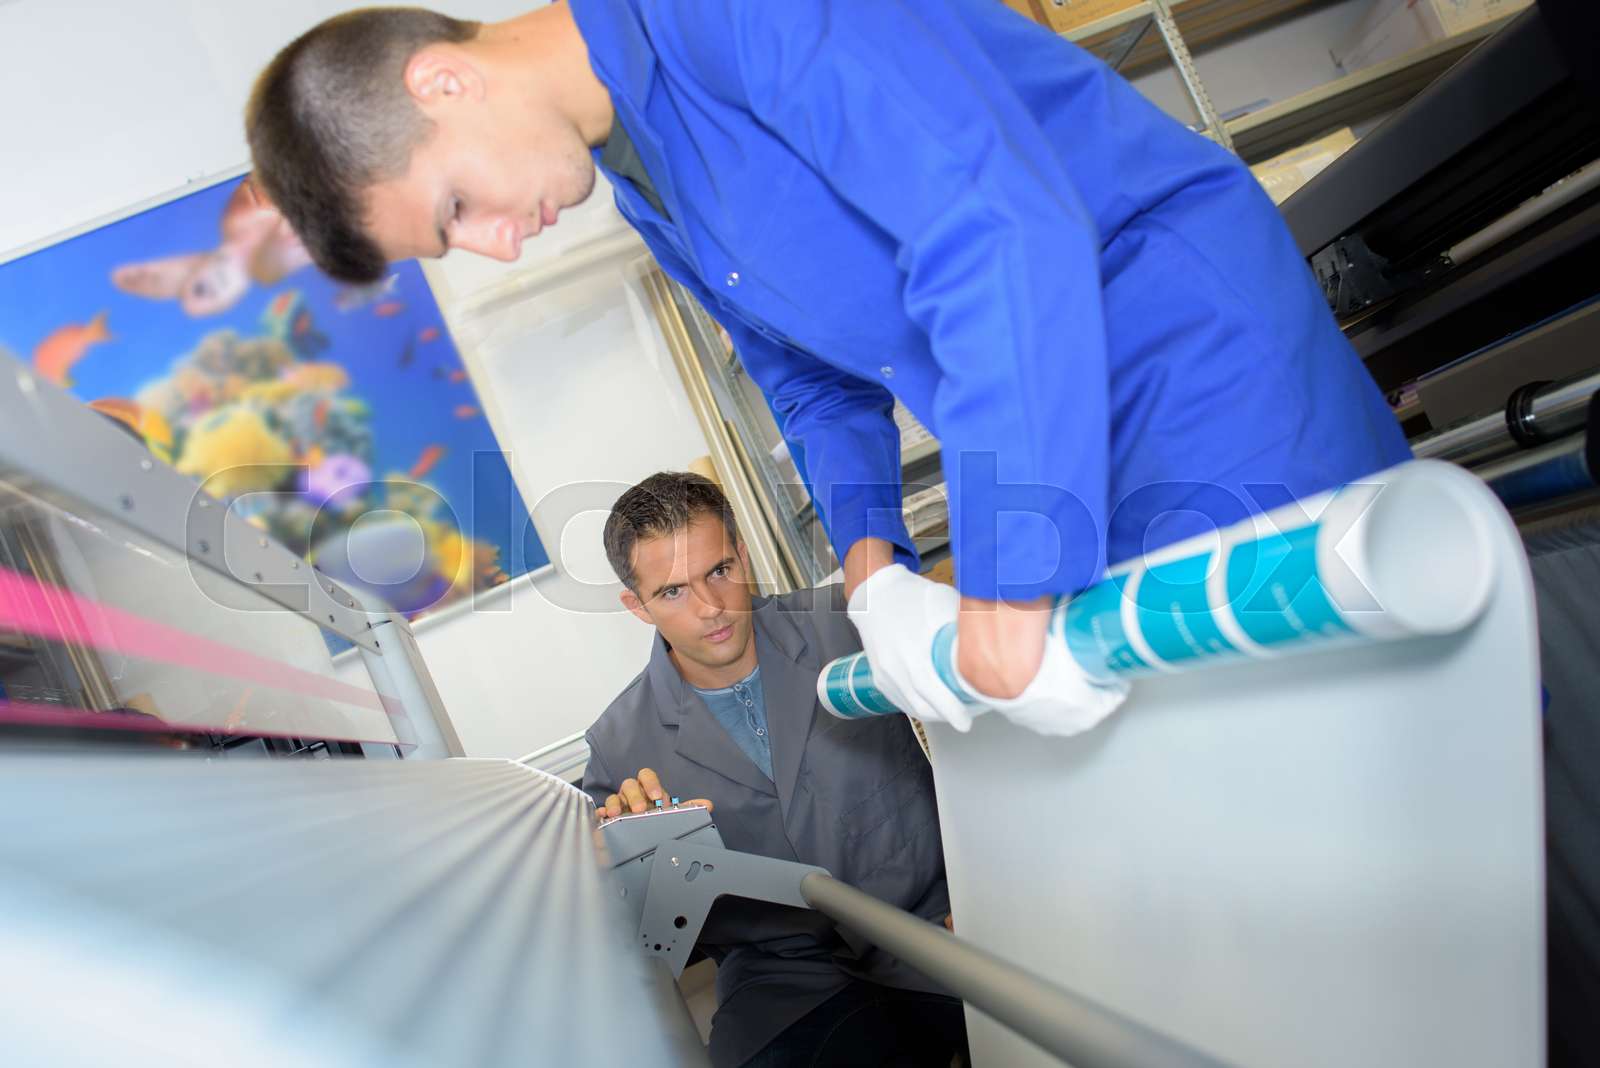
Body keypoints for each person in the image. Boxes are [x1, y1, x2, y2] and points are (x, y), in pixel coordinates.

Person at [245, 0, 1411, 738]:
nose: (499, 243)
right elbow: (808, 381)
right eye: (455, 245)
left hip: (1180, 353)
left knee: (1346, 714)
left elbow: (996, 229)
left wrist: (1006, 586)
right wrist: (873, 573)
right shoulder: (644, 186)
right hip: (1048, 437)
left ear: (442, 82)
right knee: (1201, 739)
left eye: (456, 209)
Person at [583, 471, 967, 1067]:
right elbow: (649, 942)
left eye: (718, 571)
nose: (711, 608)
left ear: (742, 554)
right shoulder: (617, 747)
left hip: (933, 924)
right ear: (636, 605)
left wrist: (985, 891)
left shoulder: (853, 622)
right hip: (785, 980)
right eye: (672, 592)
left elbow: (983, 756)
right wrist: (638, 855)